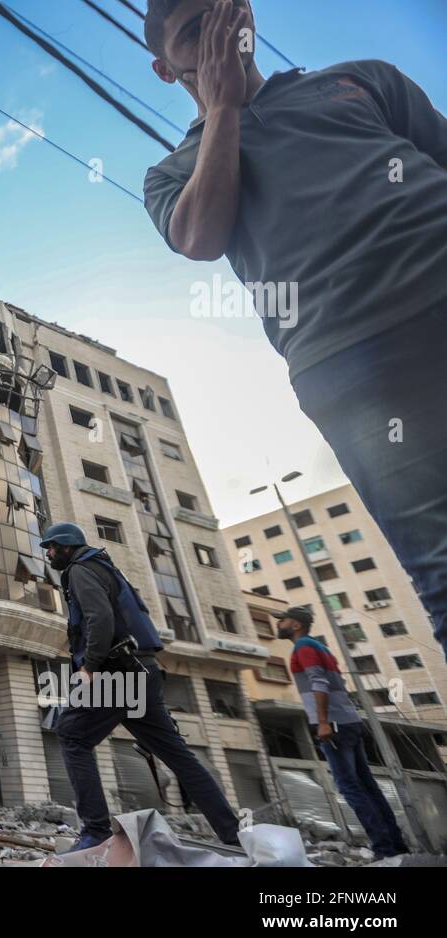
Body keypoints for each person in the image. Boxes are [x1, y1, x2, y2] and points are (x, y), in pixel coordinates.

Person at [142, 0, 447, 660]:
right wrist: (223, 110)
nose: (223, 32)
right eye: (197, 30)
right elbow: (199, 236)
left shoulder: (364, 79)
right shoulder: (173, 174)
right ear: (167, 69)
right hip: (358, 361)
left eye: (226, 11)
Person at [38, 523, 241, 850]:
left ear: (65, 546)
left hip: (116, 673)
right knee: (179, 757)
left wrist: (89, 666)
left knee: (71, 734)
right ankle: (233, 835)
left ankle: (95, 830)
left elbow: (99, 619)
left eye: (50, 547)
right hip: (143, 670)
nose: (47, 554)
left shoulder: (80, 570)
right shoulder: (107, 568)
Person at [274, 606, 410, 859]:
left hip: (334, 724)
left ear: (295, 625)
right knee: (367, 786)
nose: (278, 624)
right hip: (349, 721)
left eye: (282, 621)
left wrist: (323, 721)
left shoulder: (303, 646)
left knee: (350, 787)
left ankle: (383, 848)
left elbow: (319, 682)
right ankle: (395, 845)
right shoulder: (320, 646)